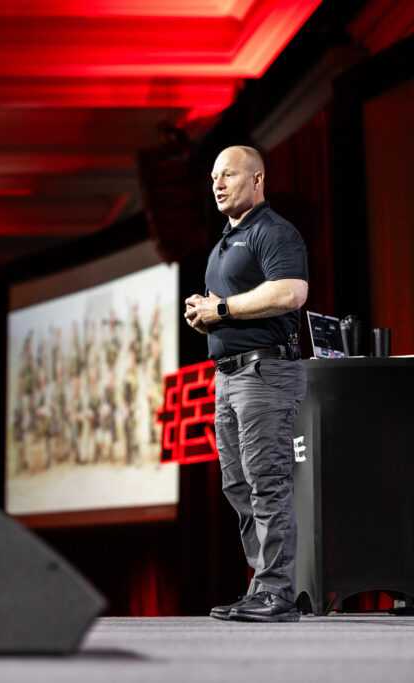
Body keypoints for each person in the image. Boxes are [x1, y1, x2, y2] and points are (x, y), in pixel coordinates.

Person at [184, 145, 308, 623]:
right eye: (214, 176)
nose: (217, 184)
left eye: (229, 175)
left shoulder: (273, 232)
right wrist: (208, 316)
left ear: (257, 180)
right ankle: (262, 586)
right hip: (228, 376)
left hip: (265, 374)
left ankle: (278, 592)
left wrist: (223, 310)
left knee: (267, 483)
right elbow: (229, 305)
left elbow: (291, 291)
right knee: (237, 485)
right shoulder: (223, 241)